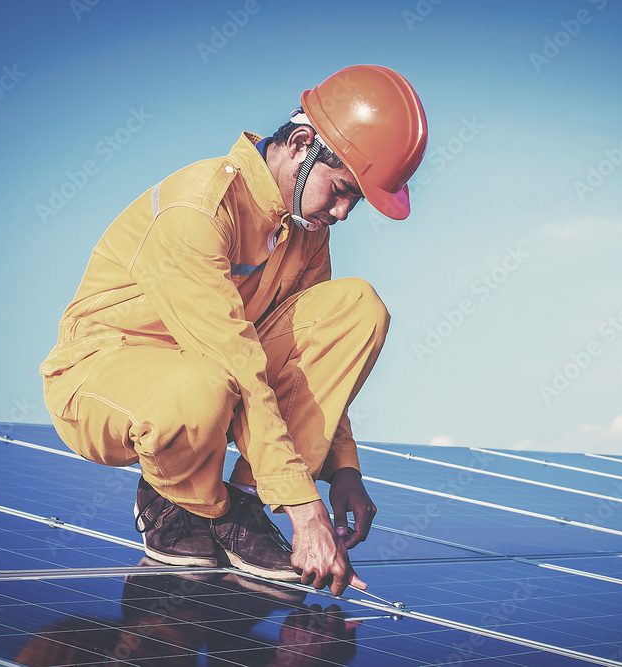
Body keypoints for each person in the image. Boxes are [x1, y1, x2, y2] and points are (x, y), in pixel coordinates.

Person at [39, 65, 428, 597]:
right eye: (340, 191)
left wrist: (343, 471)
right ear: (300, 143)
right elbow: (237, 363)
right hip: (105, 375)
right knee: (200, 386)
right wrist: (304, 510)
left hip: (216, 375)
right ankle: (176, 501)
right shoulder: (196, 210)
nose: (341, 213)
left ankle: (242, 504)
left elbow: (310, 361)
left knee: (355, 307)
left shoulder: (304, 228)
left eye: (353, 202)